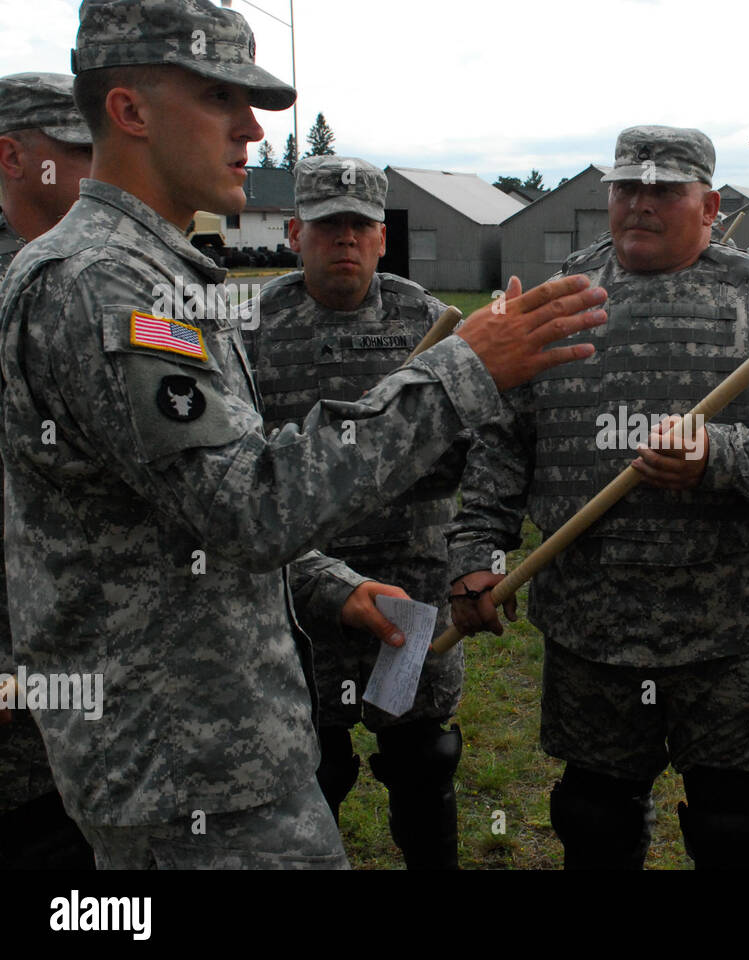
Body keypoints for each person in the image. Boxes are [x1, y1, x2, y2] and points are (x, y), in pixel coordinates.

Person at [0, 0, 606, 870]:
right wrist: (464, 369)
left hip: (220, 745)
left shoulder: (150, 272)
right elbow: (250, 505)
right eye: (220, 97)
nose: (252, 128)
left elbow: (191, 504)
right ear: (130, 111)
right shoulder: (101, 285)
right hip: (188, 770)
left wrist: (330, 586)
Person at [446, 124, 749, 870]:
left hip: (729, 631)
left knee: (731, 827)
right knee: (593, 820)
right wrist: (478, 550)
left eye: (664, 190)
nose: (640, 202)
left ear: (709, 206)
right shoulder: (563, 298)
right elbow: (503, 438)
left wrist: (721, 457)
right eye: (626, 187)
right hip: (591, 631)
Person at [247, 156, 468, 868]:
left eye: (359, 226)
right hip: (294, 584)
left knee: (421, 754)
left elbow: (481, 442)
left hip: (407, 578)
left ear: (381, 238)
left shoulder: (426, 320)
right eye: (326, 225)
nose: (344, 239)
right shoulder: (250, 328)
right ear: (294, 233)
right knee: (312, 759)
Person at [0, 71, 95, 870]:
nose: (96, 171)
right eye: (74, 153)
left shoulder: (104, 278)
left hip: (91, 659)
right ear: (11, 156)